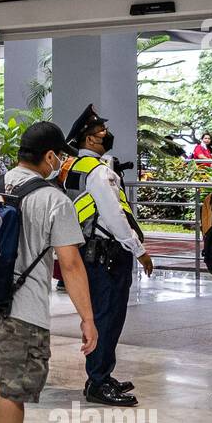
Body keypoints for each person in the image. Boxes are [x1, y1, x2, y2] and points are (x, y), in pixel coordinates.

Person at [0, 122, 97, 423]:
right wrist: (88, 319)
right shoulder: (53, 199)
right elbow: (71, 265)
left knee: (0, 388)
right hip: (23, 312)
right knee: (14, 394)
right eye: (60, 156)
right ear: (49, 156)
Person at [62, 105, 154, 407]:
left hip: (90, 251)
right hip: (108, 253)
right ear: (89, 140)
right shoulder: (100, 172)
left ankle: (101, 373)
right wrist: (139, 251)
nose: (106, 135)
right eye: (101, 132)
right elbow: (115, 216)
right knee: (108, 317)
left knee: (103, 315)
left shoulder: (74, 168)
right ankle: (98, 382)